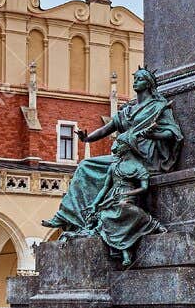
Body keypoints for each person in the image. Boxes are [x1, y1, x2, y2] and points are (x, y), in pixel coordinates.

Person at [42, 67, 184, 265]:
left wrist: (153, 135)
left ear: (149, 84)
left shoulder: (159, 106)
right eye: (135, 78)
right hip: (124, 155)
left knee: (91, 169)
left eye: (140, 79)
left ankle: (98, 224)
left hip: (144, 156)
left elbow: (173, 133)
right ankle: (68, 215)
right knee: (84, 165)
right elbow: (107, 128)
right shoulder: (128, 110)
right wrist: (87, 138)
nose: (135, 82)